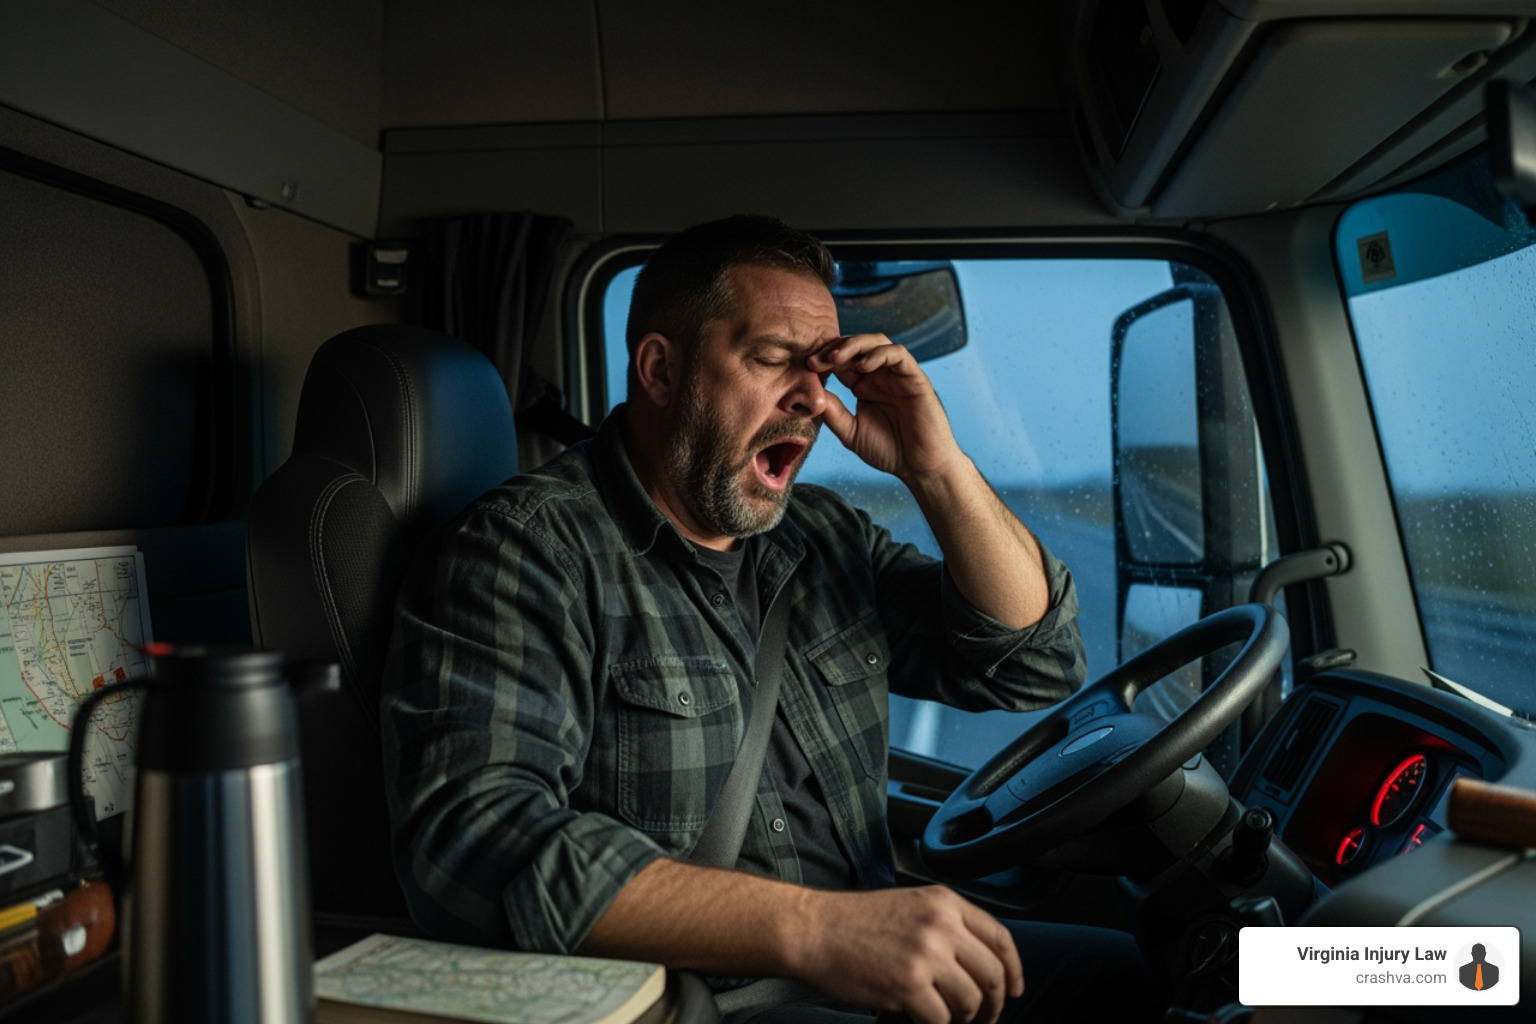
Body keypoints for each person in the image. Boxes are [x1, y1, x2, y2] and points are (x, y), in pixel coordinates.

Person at [381, 215, 1158, 1024]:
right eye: (772, 360)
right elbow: (470, 840)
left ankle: (1307, 965)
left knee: (1177, 976)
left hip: (867, 963)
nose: (813, 401)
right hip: (713, 1001)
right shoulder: (526, 552)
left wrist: (938, 468)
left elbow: (1035, 661)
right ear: (659, 370)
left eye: (820, 371)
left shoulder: (819, 534)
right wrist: (823, 931)